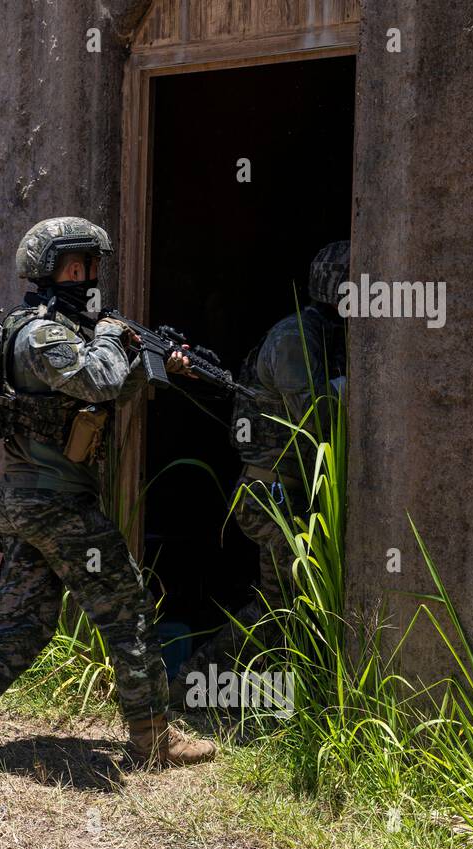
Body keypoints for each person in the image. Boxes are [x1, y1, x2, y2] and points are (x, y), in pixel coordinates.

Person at [0, 216, 218, 774]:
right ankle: (152, 738)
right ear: (47, 270)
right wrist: (117, 338)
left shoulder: (61, 330)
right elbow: (96, 379)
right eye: (77, 265)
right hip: (56, 504)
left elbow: (105, 390)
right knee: (128, 612)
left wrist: (157, 364)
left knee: (24, 626)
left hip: (31, 504)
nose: (88, 276)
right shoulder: (43, 332)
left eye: (93, 266)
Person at [169, 240, 350, 699]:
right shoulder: (295, 337)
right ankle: (191, 685)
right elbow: (313, 414)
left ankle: (258, 696)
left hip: (292, 492)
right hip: (270, 494)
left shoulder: (330, 334)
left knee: (291, 604)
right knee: (281, 607)